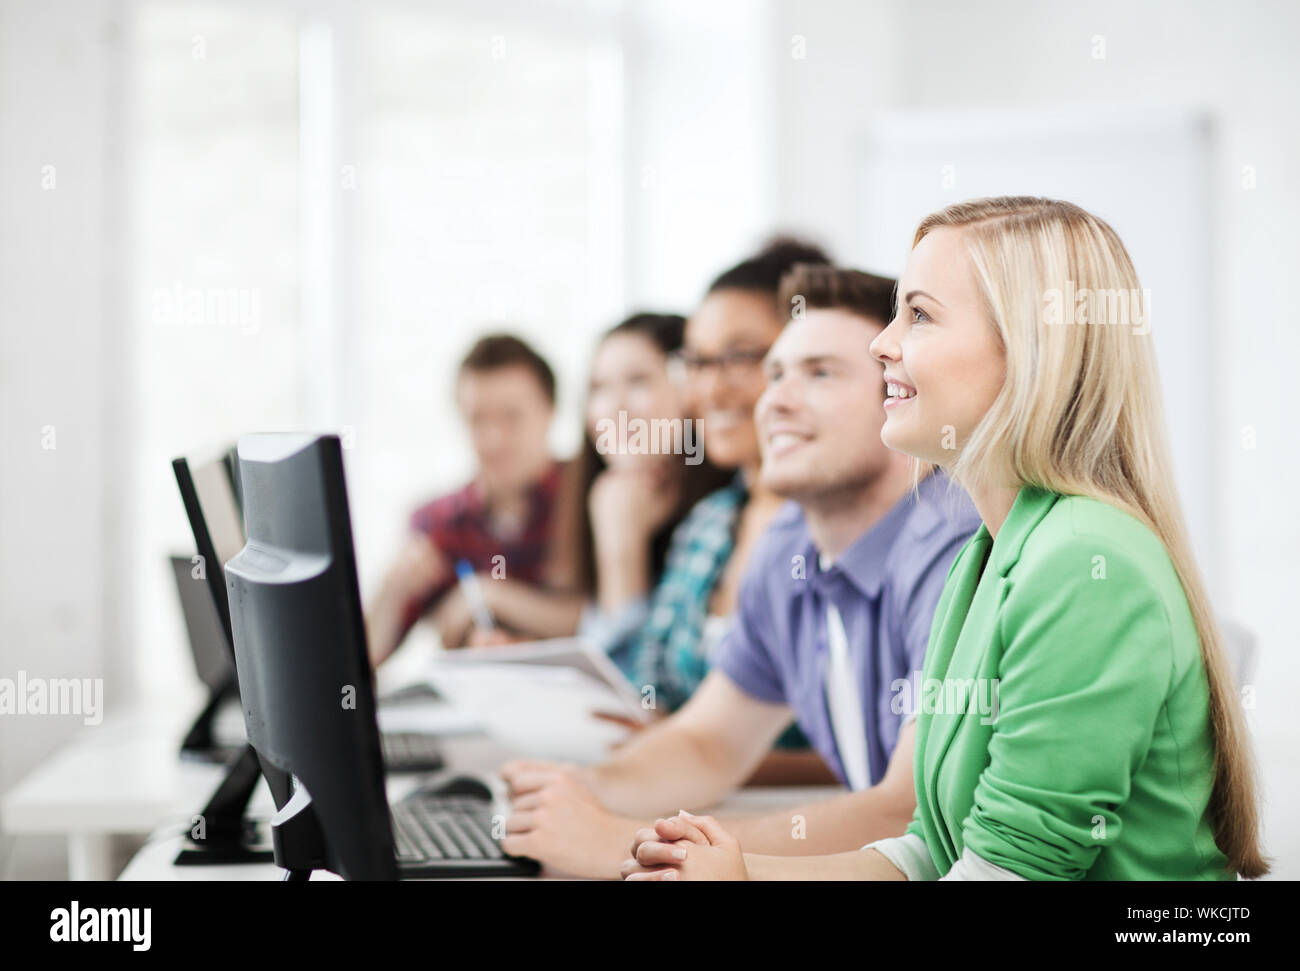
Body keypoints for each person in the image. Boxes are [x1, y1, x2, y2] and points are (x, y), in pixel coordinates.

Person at [625, 196, 1268, 880]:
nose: (882, 345)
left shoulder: (1083, 561)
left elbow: (1004, 872)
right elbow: (934, 848)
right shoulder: (986, 557)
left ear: (1028, 349)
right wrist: (742, 872)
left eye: (920, 315)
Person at [498, 264, 981, 879]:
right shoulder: (787, 544)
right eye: (775, 372)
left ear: (899, 391)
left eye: (821, 373)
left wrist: (617, 842)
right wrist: (576, 791)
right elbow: (709, 743)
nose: (772, 398)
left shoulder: (955, 540)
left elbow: (911, 815)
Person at [434, 313, 733, 649]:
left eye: (638, 381)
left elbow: (634, 684)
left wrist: (621, 546)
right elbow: (605, 656)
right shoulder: (605, 498)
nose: (614, 407)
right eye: (599, 388)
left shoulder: (724, 519)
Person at [365, 333, 563, 663]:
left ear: (550, 412)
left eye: (511, 416)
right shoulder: (437, 523)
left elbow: (611, 620)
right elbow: (362, 663)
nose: (493, 438)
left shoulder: (587, 502)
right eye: (477, 419)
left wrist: (491, 595)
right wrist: (392, 591)